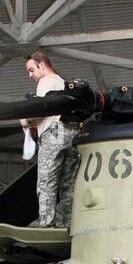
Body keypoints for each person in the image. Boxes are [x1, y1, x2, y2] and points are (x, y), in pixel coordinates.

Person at [21, 50, 79, 229]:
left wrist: (25, 119)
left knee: (46, 181)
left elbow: (41, 110)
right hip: (72, 134)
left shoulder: (46, 81)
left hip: (53, 134)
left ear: (42, 65)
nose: (31, 75)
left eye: (32, 70)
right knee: (68, 184)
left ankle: (47, 225)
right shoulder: (63, 83)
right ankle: (69, 224)